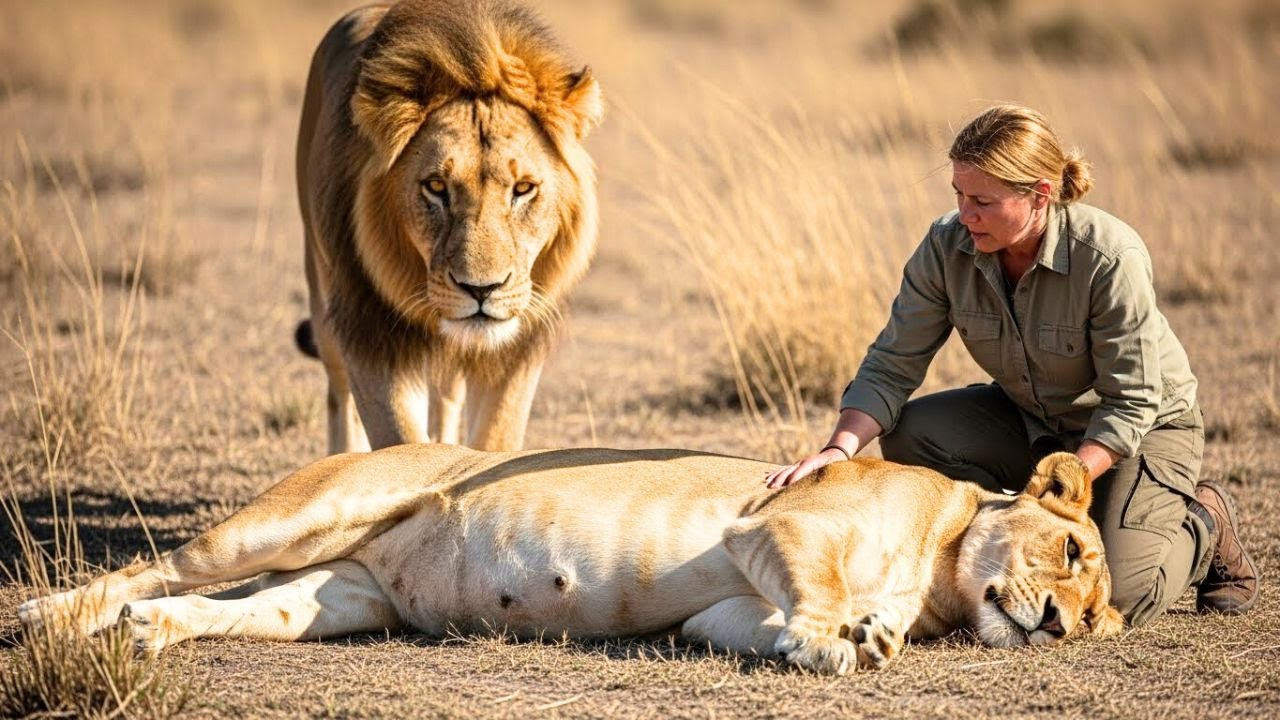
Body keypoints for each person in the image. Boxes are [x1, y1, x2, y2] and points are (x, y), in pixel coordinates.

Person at [765, 104, 1259, 626]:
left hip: (1143, 430)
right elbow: (892, 362)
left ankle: (1205, 521)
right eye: (958, 194)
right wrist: (837, 450)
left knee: (1117, 597)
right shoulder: (946, 246)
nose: (965, 214)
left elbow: (1133, 400)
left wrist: (1060, 492)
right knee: (911, 434)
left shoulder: (1109, 257)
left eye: (982, 201)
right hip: (1033, 421)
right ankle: (1013, 541)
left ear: (1040, 195)